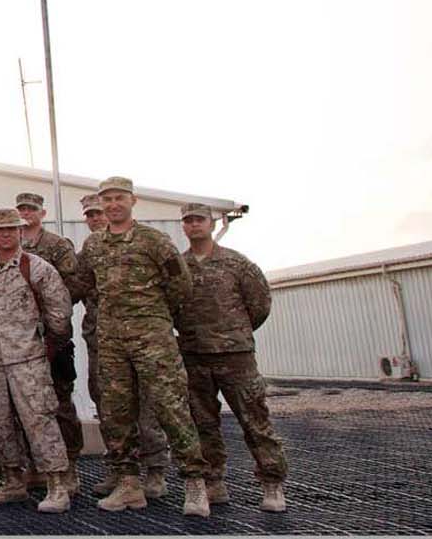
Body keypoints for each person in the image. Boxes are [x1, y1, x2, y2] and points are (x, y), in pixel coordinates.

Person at [77, 176, 211, 518]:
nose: (113, 205)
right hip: (111, 342)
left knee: (171, 408)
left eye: (119, 198)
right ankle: (128, 484)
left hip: (153, 339)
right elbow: (85, 283)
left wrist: (153, 316)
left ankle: (195, 483)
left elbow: (180, 285)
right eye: (107, 199)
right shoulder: (93, 246)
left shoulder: (154, 241)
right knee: (116, 414)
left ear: (132, 201)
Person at [176, 203, 288, 513]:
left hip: (236, 357)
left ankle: (272, 483)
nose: (194, 225)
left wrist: (234, 332)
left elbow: (260, 303)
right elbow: (171, 306)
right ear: (183, 226)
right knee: (202, 424)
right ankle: (213, 481)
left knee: (254, 420)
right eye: (188, 220)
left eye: (200, 220)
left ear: (211, 224)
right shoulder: (179, 266)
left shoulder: (237, 263)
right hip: (195, 355)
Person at [0, 208, 74, 513]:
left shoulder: (37, 268)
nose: (5, 234)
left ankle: (57, 485)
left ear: (20, 231)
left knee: (39, 421)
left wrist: (47, 348)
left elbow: (60, 313)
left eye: (11, 229)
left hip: (29, 360)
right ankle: (13, 481)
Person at [81, 192, 168, 498]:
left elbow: (176, 286)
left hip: (143, 339)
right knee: (109, 407)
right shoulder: (91, 250)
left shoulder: (146, 241)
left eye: (99, 213)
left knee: (147, 404)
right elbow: (79, 285)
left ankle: (155, 470)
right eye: (90, 215)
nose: (96, 218)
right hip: (102, 339)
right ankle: (120, 471)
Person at [16, 190, 86, 493]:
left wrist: (51, 310)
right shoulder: (12, 245)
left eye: (31, 209)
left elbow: (74, 284)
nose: (26, 214)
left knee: (59, 400)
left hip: (52, 336)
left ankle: (70, 466)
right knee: (27, 402)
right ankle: (36, 464)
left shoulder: (57, 245)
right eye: (21, 209)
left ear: (42, 213)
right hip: (21, 337)